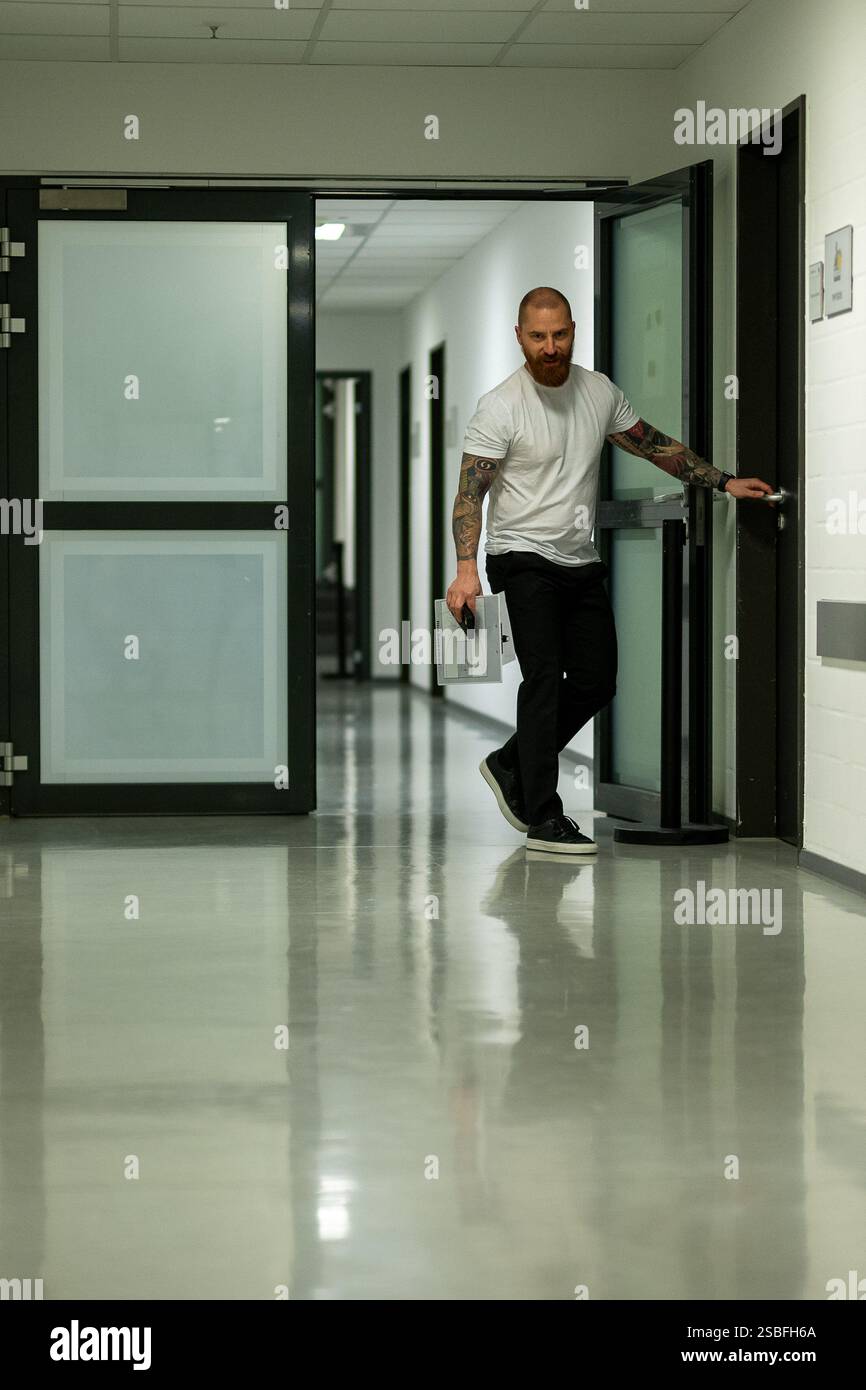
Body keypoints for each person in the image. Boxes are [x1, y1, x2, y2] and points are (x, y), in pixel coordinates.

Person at [446, 286, 773, 857]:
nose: (551, 347)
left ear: (574, 330)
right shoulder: (500, 405)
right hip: (521, 557)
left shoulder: (598, 392)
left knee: (598, 680)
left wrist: (722, 481)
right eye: (538, 336)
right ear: (519, 337)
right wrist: (466, 570)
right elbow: (471, 492)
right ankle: (544, 815)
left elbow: (652, 445)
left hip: (579, 559)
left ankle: (509, 762)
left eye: (561, 334)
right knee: (545, 679)